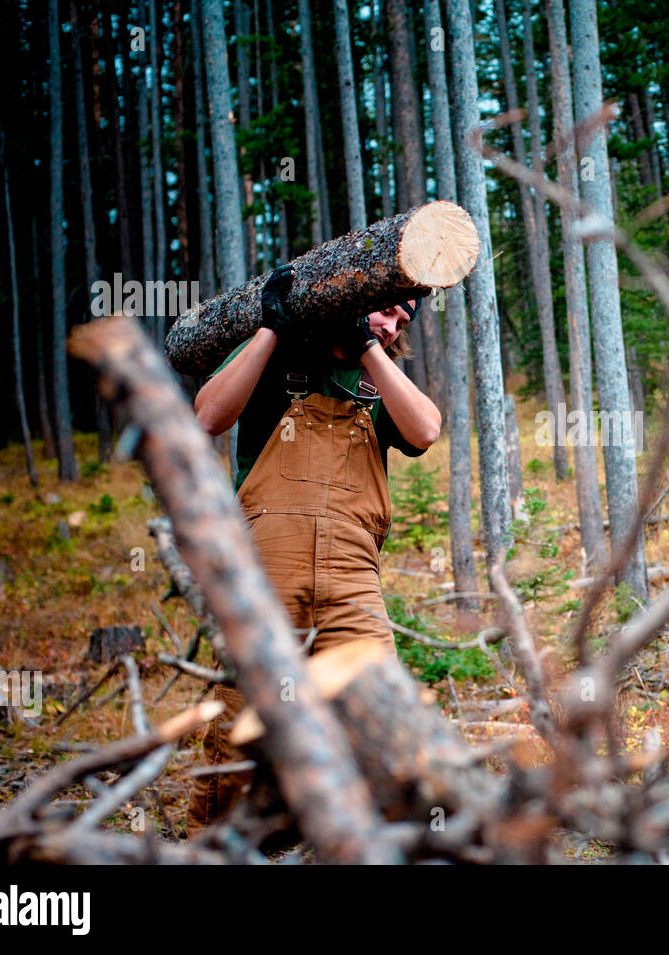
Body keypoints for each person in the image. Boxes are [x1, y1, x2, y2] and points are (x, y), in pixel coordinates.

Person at [185, 264, 440, 834]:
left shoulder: (382, 382)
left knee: (381, 707)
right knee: (243, 709)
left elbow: (425, 430)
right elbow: (207, 416)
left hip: (353, 569)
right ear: (354, 297)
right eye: (386, 308)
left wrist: (370, 347)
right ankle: (218, 843)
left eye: (403, 320)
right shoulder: (279, 356)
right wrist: (271, 329)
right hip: (268, 560)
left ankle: (376, 840)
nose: (394, 324)